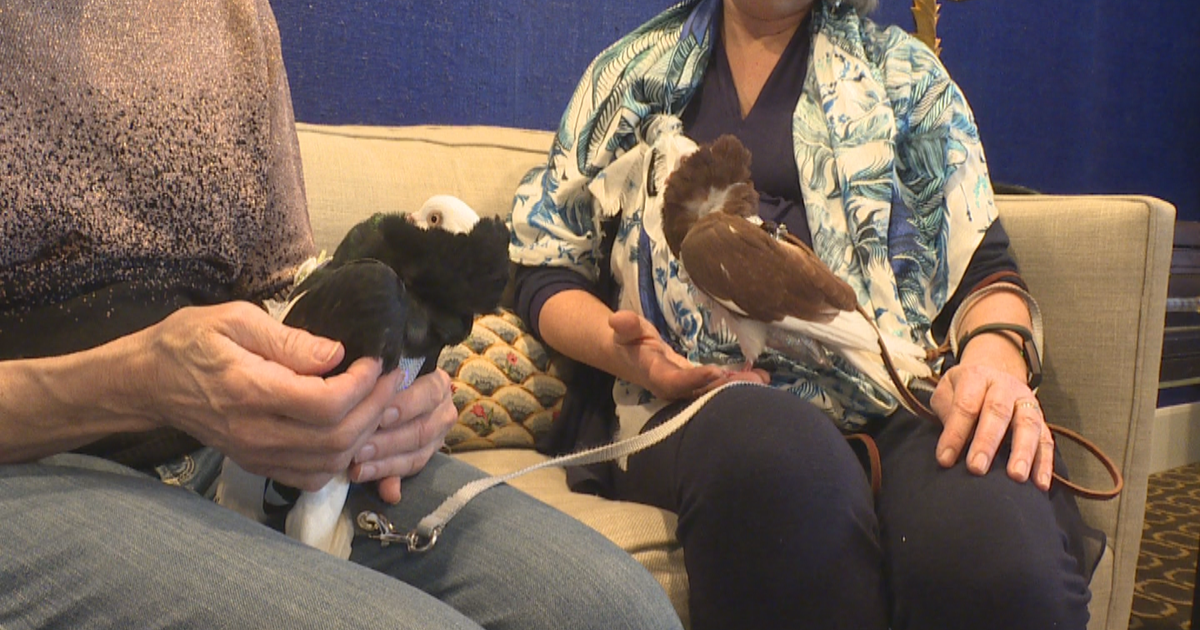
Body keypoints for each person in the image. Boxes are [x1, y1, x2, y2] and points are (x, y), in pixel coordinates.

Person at [0, 2, 684, 629]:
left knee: (618, 611)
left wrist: (400, 402)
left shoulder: (229, 16)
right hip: (35, 458)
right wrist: (142, 382)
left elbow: (282, 287)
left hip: (238, 445)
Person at [508, 0, 1104, 628]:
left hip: (897, 391)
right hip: (699, 404)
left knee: (992, 548)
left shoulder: (905, 76)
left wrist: (992, 369)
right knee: (780, 470)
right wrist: (628, 354)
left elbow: (984, 274)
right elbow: (545, 269)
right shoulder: (628, 79)